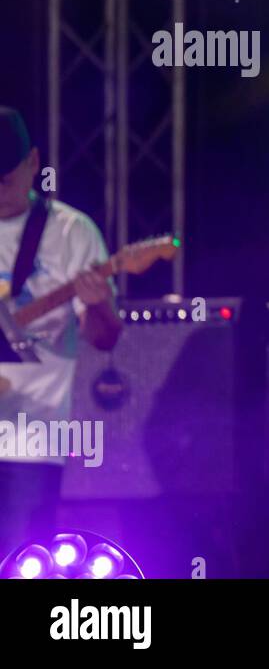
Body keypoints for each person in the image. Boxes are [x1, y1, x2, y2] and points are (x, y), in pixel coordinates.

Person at [0, 106, 123, 556]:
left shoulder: (72, 232)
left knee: (21, 560)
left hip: (31, 440)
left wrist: (99, 303)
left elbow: (105, 337)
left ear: (33, 163)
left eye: (5, 178)